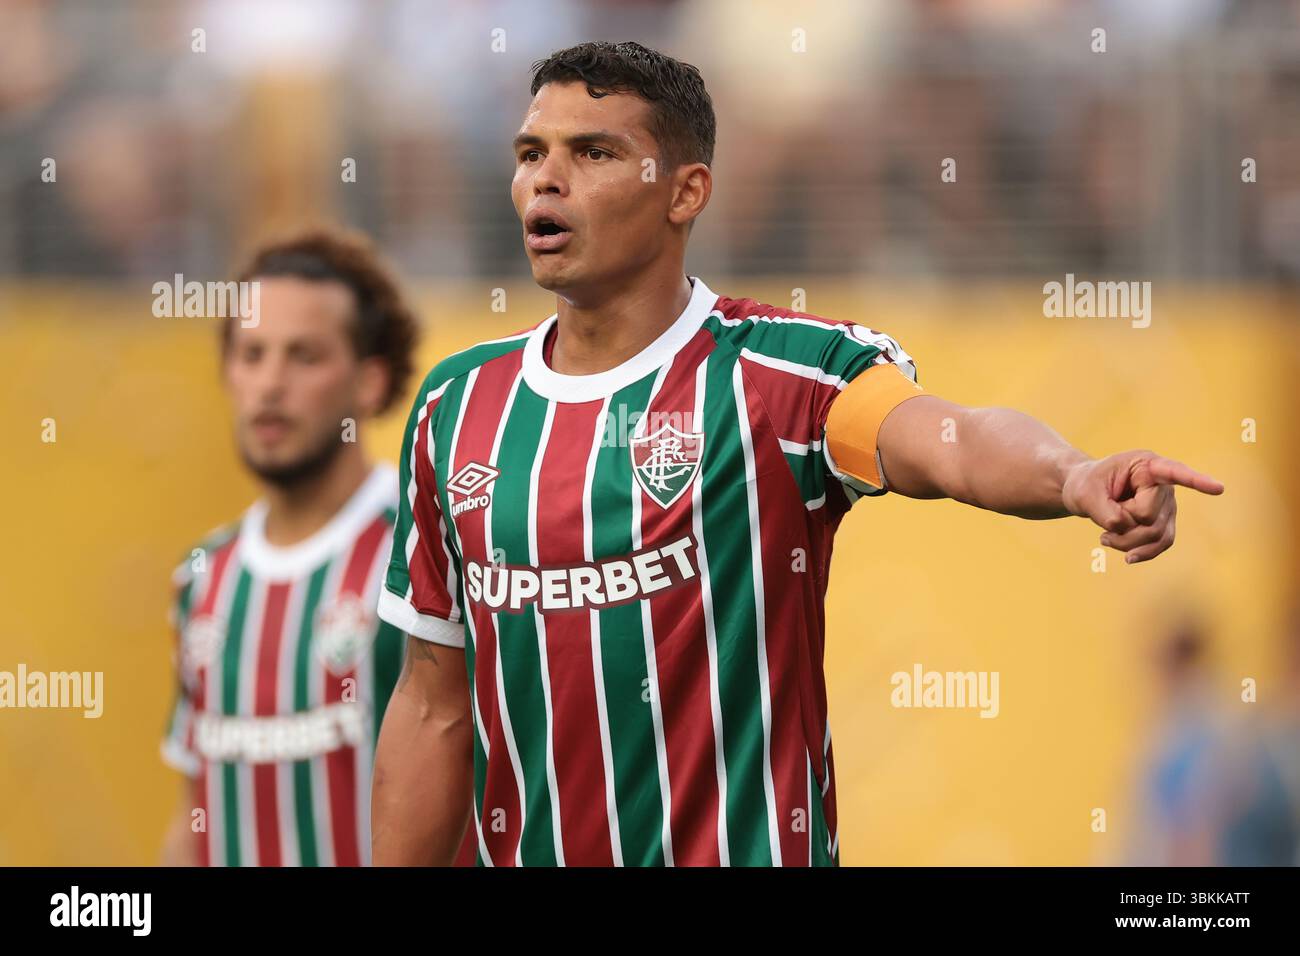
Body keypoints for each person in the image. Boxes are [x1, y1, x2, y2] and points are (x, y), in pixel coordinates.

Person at [371, 41, 1224, 867]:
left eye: (594, 152)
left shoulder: (783, 376)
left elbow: (953, 440)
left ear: (685, 192)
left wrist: (1073, 477)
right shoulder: (458, 406)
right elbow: (432, 707)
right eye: (531, 152)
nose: (544, 179)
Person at [160, 228, 439, 865]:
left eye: (304, 356)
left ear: (370, 382)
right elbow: (194, 816)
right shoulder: (201, 578)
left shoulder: (426, 552)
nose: (270, 384)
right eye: (251, 355)